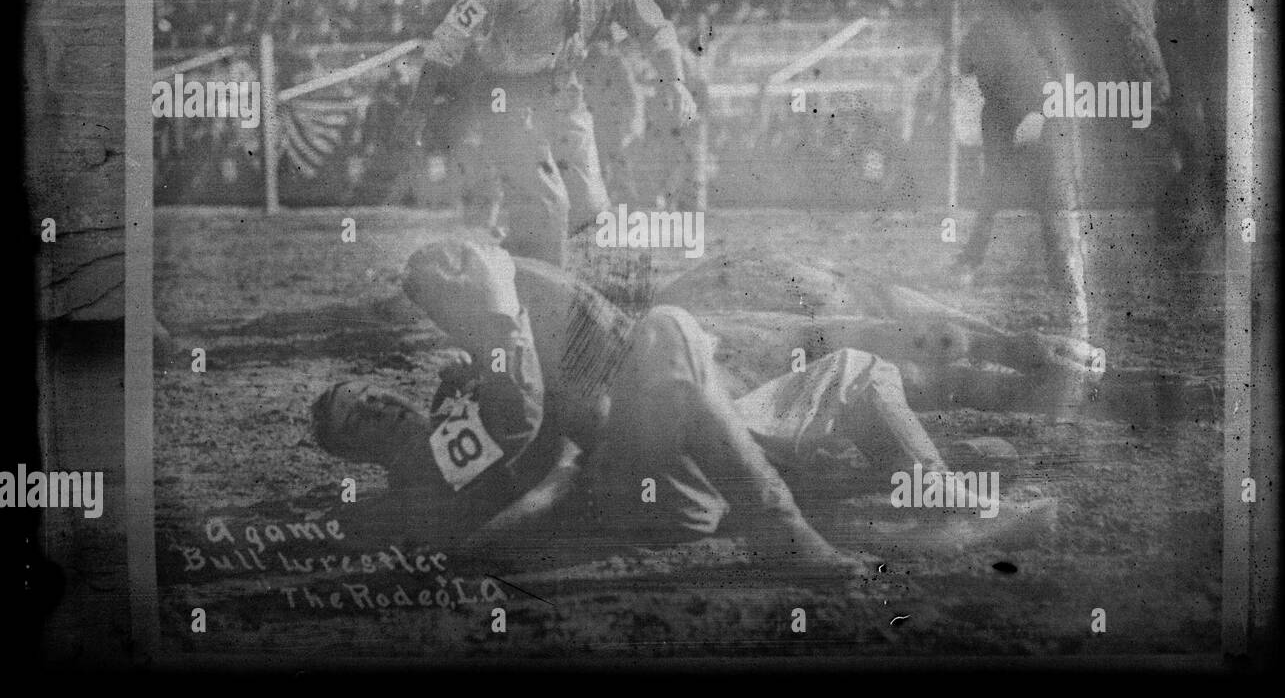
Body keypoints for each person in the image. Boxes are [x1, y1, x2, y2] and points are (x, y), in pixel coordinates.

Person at [311, 235, 994, 586]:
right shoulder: (429, 466)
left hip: (653, 450)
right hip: (630, 491)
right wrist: (500, 317)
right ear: (359, 454)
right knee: (668, 330)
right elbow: (520, 418)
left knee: (858, 368)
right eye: (359, 417)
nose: (377, 403)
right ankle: (781, 528)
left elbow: (518, 409)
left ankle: (932, 488)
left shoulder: (448, 403)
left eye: (368, 392)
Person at [409, 0, 699, 267]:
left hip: (564, 94)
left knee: (592, 210)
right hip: (505, 96)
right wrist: (417, 110)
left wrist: (674, 82)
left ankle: (572, 295)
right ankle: (523, 290)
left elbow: (655, 28)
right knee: (546, 207)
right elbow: (448, 39)